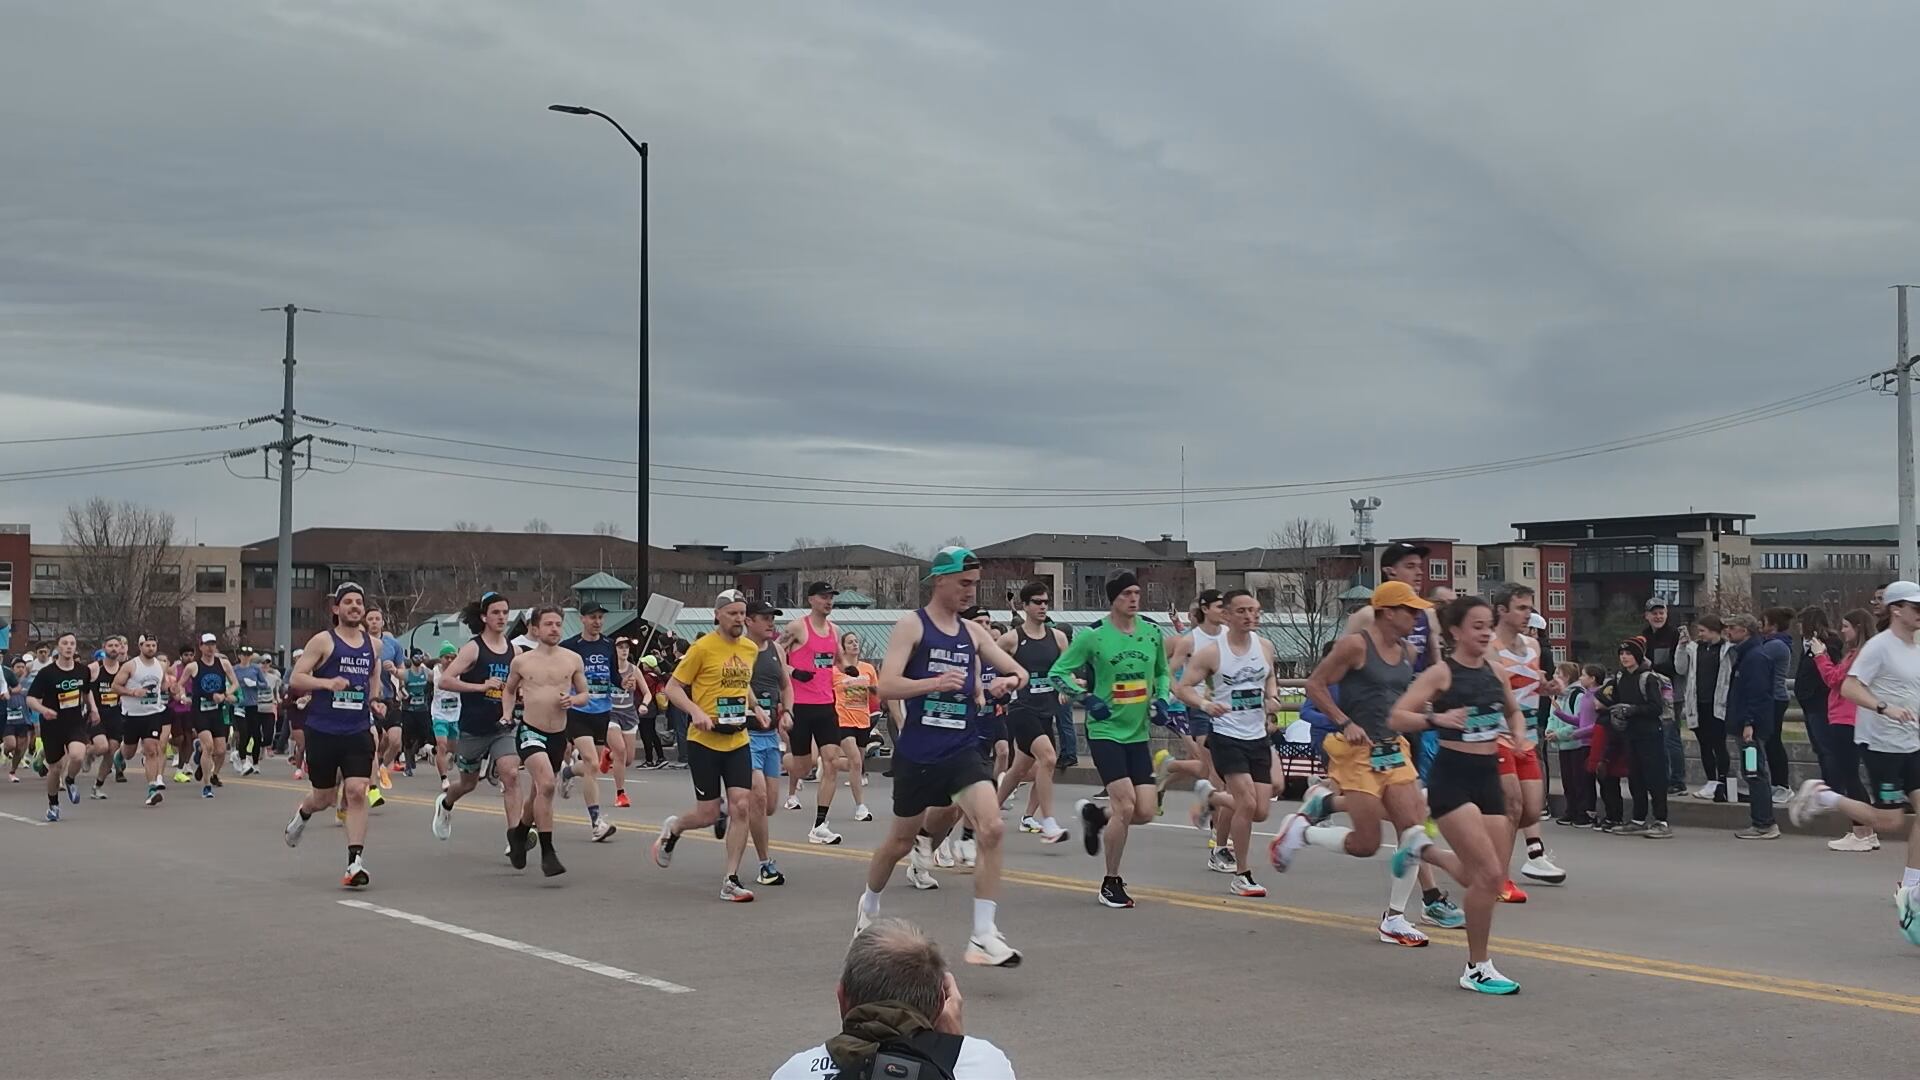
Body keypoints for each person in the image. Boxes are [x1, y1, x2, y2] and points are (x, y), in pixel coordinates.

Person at [856, 546, 1026, 967]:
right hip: (918, 752)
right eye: (964, 583)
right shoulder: (912, 625)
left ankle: (983, 934)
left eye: (975, 584)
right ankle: (869, 906)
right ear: (941, 581)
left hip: (962, 748)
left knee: (992, 827)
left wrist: (1010, 680)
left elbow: (1015, 669)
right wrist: (934, 683)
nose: (971, 592)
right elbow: (887, 686)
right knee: (898, 842)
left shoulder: (973, 633)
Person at [1275, 580, 1435, 943]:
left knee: (1412, 831)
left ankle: (1394, 918)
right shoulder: (1355, 646)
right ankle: (1303, 831)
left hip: (1393, 749)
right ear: (1388, 612)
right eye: (1410, 610)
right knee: (1366, 844)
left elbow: (1400, 699)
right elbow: (1314, 685)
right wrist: (1344, 722)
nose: (1415, 617)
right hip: (1356, 753)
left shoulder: (1408, 653)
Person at [1386, 596, 1526, 995]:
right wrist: (1437, 718)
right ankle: (1477, 966)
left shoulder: (1496, 672)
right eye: (1477, 626)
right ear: (1456, 632)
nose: (1485, 633)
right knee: (1484, 875)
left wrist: (1516, 732)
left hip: (1489, 775)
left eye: (1488, 625)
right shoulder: (1440, 674)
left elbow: (1513, 710)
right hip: (1453, 778)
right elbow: (1397, 716)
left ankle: (1421, 849)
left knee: (1490, 878)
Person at [1050, 572, 1168, 910]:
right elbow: (1058, 672)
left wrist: (1161, 698)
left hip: (1137, 732)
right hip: (1104, 731)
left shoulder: (1152, 633)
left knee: (1145, 811)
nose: (1134, 598)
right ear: (1113, 598)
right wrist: (1085, 698)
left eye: (1137, 592)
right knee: (1127, 805)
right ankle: (1110, 882)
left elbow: (1162, 671)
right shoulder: (1093, 637)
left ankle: (1096, 817)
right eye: (1127, 593)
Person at [770, 918, 1016, 1080]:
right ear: (941, 1003)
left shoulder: (795, 1072)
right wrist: (950, 1044)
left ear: (842, 999)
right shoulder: (986, 1063)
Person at [651, 590, 762, 902]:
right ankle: (674, 828)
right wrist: (696, 711)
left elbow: (742, 682)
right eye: (733, 614)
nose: (739, 619)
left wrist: (757, 706)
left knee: (741, 805)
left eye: (742, 614)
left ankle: (730, 878)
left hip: (737, 737)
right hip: (704, 741)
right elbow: (673, 688)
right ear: (718, 616)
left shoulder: (750, 648)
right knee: (708, 814)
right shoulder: (701, 648)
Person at [1172, 589, 1281, 901]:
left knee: (1260, 811)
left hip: (1257, 735)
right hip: (1226, 735)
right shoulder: (1212, 652)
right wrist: (1205, 706)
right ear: (1229, 615)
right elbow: (1184, 687)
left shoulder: (1265, 646)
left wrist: (1271, 696)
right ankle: (1242, 874)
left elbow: (1270, 676)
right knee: (1246, 803)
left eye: (1255, 610)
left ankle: (1212, 795)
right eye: (1243, 611)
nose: (1250, 616)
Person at [1833, 580, 1920, 946]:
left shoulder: (1916, 645)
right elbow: (1849, 687)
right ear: (1895, 609)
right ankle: (1824, 796)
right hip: (1882, 744)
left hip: (1913, 742)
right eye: (1915, 606)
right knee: (1890, 820)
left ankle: (1911, 889)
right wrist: (1885, 708)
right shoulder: (1878, 647)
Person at [281, 582, 382, 888]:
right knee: (324, 798)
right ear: (336, 609)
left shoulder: (374, 645)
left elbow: (373, 677)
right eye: (348, 602)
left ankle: (355, 862)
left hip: (357, 729)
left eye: (359, 602)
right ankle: (304, 812)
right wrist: (327, 684)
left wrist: (376, 701)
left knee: (356, 792)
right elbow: (296, 678)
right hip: (323, 729)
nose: (355, 607)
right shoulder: (323, 641)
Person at [431, 593, 527, 848]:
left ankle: (515, 837)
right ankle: (446, 803)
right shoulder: (474, 648)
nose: (502, 617)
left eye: (505, 612)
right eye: (496, 612)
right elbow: (445, 680)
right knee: (467, 783)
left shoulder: (514, 650)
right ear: (484, 616)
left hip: (502, 726)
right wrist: (480, 686)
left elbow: (518, 686)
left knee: (511, 775)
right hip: (473, 727)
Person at [1487, 584, 1565, 894]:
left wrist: (1550, 686)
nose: (1528, 614)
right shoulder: (1489, 648)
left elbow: (1534, 684)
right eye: (1521, 608)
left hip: (1527, 737)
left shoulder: (1533, 648)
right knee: (1514, 806)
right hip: (1498, 736)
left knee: (1532, 809)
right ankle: (1499, 879)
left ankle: (1482, 839)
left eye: (1530, 608)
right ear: (1502, 611)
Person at [501, 606, 589, 877]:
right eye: (548, 624)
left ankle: (519, 834)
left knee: (537, 793)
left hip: (557, 735)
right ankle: (548, 853)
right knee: (548, 785)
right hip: (531, 731)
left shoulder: (572, 659)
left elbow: (585, 694)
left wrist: (572, 700)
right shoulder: (522, 661)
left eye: (558, 624)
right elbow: (509, 689)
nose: (554, 628)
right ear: (536, 629)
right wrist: (506, 715)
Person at [993, 582, 1071, 845]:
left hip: (1045, 711)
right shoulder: (1011, 639)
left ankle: (989, 812)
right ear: (1025, 606)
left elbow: (1067, 670)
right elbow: (987, 661)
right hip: (1020, 709)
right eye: (1037, 602)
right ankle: (1049, 822)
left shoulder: (1058, 638)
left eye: (1046, 602)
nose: (1042, 606)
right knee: (1048, 758)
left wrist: (1067, 687)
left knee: (1019, 769)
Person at [1811, 608, 1880, 851]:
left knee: (1850, 776)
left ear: (1858, 628)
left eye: (1846, 626)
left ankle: (1860, 831)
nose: (1842, 631)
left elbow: (1834, 679)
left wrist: (1820, 656)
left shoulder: (1859, 655)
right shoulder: (1857, 653)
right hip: (1849, 718)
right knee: (1852, 775)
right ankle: (1866, 831)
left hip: (1847, 718)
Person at [783, 582, 846, 841]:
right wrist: (794, 672)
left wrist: (850, 671)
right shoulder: (798, 627)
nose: (828, 601)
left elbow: (839, 660)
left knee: (831, 761)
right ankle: (778, 764)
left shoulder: (835, 630)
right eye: (823, 597)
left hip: (825, 704)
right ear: (811, 600)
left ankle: (820, 824)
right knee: (802, 765)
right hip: (800, 705)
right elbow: (772, 656)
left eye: (831, 597)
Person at [558, 602, 619, 843]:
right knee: (592, 762)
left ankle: (568, 772)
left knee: (594, 768)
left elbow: (613, 675)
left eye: (600, 618)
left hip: (602, 711)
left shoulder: (608, 645)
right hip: (578, 710)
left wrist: (623, 682)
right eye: (593, 617)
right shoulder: (570, 647)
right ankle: (596, 823)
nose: (597, 622)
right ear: (582, 619)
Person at [1602, 640, 1673, 838]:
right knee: (1635, 778)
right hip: (1630, 734)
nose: (1624, 657)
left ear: (1638, 656)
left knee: (1655, 778)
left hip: (1650, 733)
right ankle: (1638, 819)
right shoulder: (1620, 677)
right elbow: (1611, 699)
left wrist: (1633, 710)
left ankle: (1661, 820)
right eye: (1622, 653)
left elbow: (1655, 708)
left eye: (1629, 653)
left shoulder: (1647, 678)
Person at [745, 600, 792, 887]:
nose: (770, 622)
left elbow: (786, 686)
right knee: (759, 797)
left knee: (770, 805)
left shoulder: (777, 649)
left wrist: (787, 712)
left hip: (770, 736)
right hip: (745, 734)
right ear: (749, 621)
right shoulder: (740, 649)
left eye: (772, 617)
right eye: (764, 617)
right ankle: (765, 864)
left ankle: (729, 807)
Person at [26, 632, 96, 822]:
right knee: (55, 768)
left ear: (75, 648)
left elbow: (87, 692)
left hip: (75, 722)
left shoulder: (83, 671)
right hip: (52, 725)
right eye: (65, 643)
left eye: (72, 643)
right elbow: (31, 699)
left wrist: (94, 710)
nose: (69, 646)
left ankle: (71, 779)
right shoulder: (47, 673)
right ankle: (53, 804)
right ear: (58, 647)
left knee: (77, 755)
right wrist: (44, 710)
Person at [1725, 614, 1781, 839]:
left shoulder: (1755, 658)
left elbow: (1757, 694)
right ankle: (1761, 821)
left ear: (1745, 631)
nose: (1728, 632)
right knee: (1752, 771)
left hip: (1750, 730)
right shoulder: (1746, 655)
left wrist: (1749, 723)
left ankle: (1764, 823)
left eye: (1733, 628)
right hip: (1745, 725)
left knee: (1754, 771)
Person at [112, 635, 174, 806]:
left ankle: (152, 789)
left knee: (151, 750)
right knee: (130, 752)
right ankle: (119, 755)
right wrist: (133, 692)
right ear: (140, 646)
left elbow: (162, 686)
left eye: (154, 645)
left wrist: (170, 690)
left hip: (153, 713)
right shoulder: (131, 666)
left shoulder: (161, 665)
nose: (151, 648)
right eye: (147, 645)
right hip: (132, 715)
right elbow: (114, 686)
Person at [1678, 615, 1735, 801]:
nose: (1700, 634)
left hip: (1718, 703)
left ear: (1713, 630)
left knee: (1719, 743)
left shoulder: (1728, 650)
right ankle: (1710, 780)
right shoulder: (1695, 649)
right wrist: (1681, 647)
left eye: (1703, 631)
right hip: (1698, 703)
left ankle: (1722, 780)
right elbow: (1681, 669)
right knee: (1704, 744)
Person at [177, 633, 237, 800]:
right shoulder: (193, 667)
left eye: (213, 644)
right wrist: (183, 697)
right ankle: (206, 785)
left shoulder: (223, 663)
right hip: (200, 710)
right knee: (209, 746)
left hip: (216, 710)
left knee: (221, 750)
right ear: (201, 647)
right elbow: (180, 684)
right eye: (207, 644)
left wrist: (224, 695)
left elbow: (235, 684)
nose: (210, 648)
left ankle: (213, 773)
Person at [831, 631, 879, 825]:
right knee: (857, 762)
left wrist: (873, 690)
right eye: (850, 642)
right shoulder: (835, 670)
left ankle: (829, 763)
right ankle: (860, 806)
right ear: (843, 648)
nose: (854, 645)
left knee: (855, 765)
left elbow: (877, 691)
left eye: (856, 641)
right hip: (843, 720)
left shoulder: (868, 668)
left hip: (863, 720)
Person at [1639, 598, 1686, 795]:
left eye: (1662, 613)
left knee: (1670, 737)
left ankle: (1677, 780)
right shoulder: (1644, 636)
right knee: (1655, 739)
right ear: (1647, 616)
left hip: (1671, 694)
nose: (1658, 617)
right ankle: (1662, 778)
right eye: (1654, 613)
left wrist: (1652, 666)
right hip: (1650, 693)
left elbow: (1676, 667)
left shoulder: (1674, 635)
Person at [1549, 663, 1602, 826]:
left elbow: (1581, 722)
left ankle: (1583, 812)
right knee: (1568, 780)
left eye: (1559, 674)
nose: (1554, 677)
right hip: (1563, 744)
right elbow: (1554, 716)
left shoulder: (1579, 695)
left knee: (1580, 781)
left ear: (1567, 677)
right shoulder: (1559, 695)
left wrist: (1561, 734)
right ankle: (1571, 810)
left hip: (1577, 744)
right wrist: (1550, 730)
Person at [606, 636, 647, 808]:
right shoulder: (608, 669)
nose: (624, 650)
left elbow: (647, 693)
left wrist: (644, 704)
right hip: (611, 713)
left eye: (626, 648)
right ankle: (620, 794)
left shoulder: (634, 670)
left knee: (628, 759)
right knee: (620, 751)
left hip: (629, 713)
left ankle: (607, 756)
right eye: (620, 647)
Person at [85, 635, 125, 797]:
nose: (114, 648)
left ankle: (97, 786)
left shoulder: (124, 669)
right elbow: (85, 690)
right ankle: (89, 752)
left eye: (117, 645)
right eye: (110, 645)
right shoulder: (94, 668)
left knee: (112, 752)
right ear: (104, 647)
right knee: (102, 747)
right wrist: (92, 709)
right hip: (98, 713)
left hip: (116, 714)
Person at [6, 657, 35, 782]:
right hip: (7, 719)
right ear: (12, 669)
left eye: (23, 667)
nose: (21, 669)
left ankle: (12, 771)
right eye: (18, 667)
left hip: (24, 719)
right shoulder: (5, 680)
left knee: (20, 748)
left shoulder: (28, 682)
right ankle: (5, 750)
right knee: (11, 744)